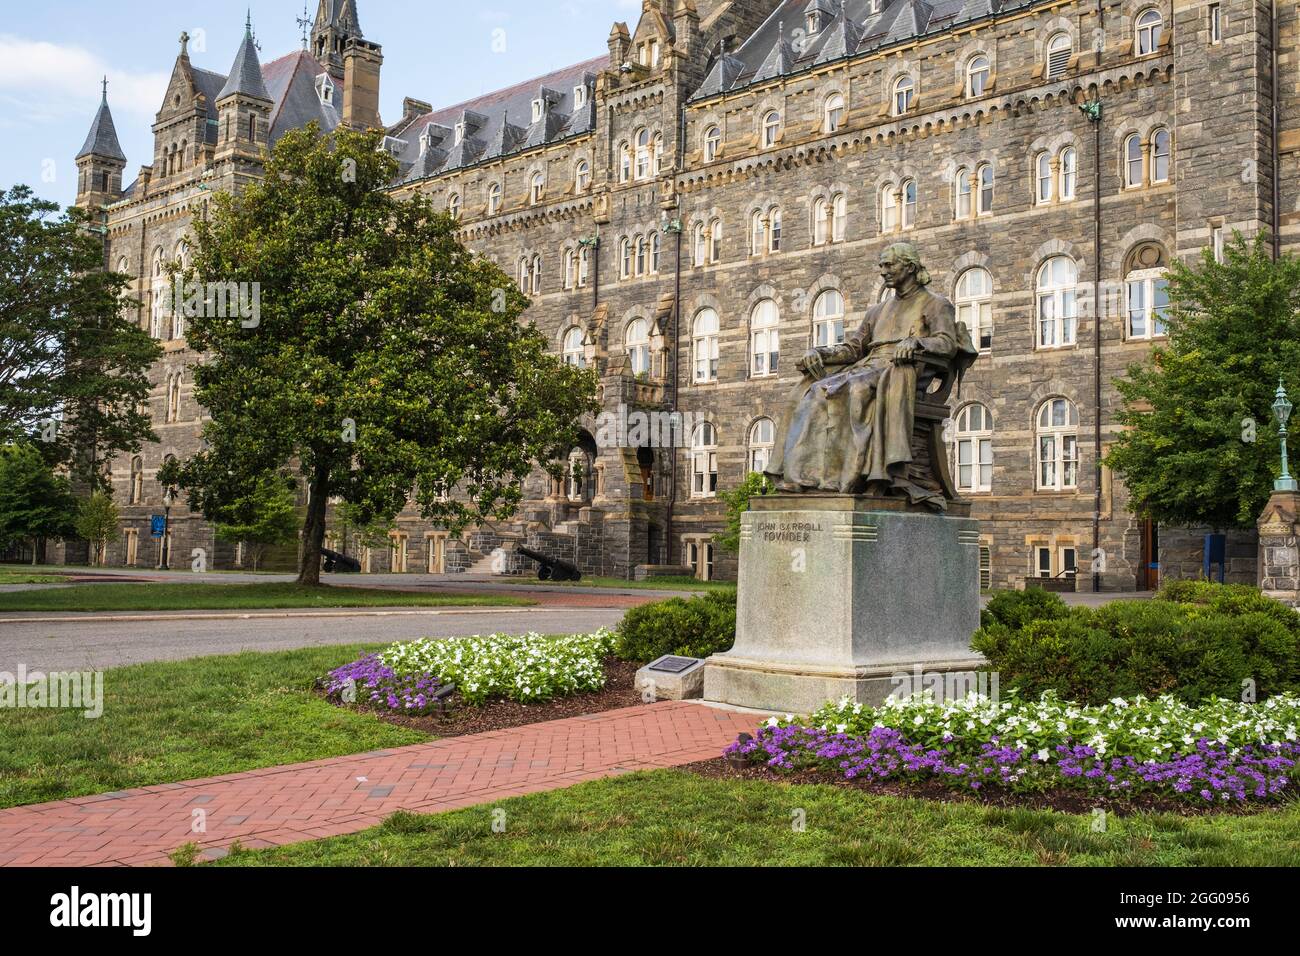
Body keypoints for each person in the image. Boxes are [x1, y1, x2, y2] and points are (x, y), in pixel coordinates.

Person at [764, 242, 977, 509]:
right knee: (815, 391)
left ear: (909, 267)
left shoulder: (935, 304)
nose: (883, 271)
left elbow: (946, 342)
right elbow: (854, 348)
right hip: (866, 366)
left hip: (901, 370)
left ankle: (854, 478)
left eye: (889, 265)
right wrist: (821, 353)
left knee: (857, 390)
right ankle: (809, 478)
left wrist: (918, 344)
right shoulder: (877, 311)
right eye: (881, 265)